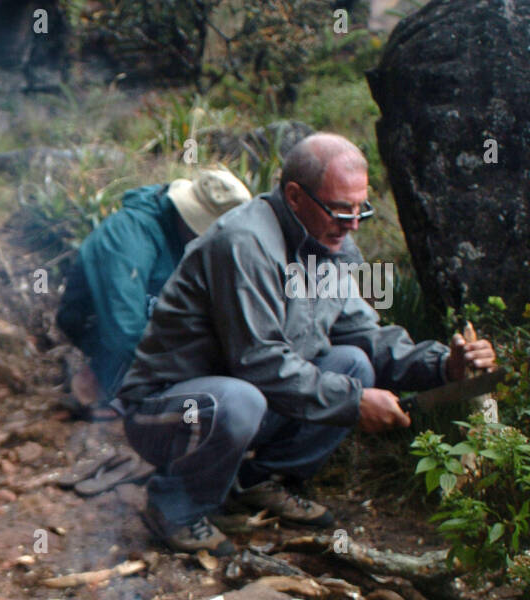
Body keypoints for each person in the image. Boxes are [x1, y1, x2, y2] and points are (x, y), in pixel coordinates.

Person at [115, 133, 497, 555]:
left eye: (360, 210)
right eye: (339, 209)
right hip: (165, 411)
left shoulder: (330, 242)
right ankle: (175, 507)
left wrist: (445, 366)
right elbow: (258, 361)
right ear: (294, 196)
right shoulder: (245, 243)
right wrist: (353, 403)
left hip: (243, 399)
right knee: (243, 400)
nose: (352, 224)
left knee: (352, 364)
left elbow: (365, 335)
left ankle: (259, 481)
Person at [56, 167, 251, 414]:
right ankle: (108, 387)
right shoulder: (129, 235)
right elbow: (123, 327)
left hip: (153, 327)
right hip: (103, 326)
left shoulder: (184, 238)